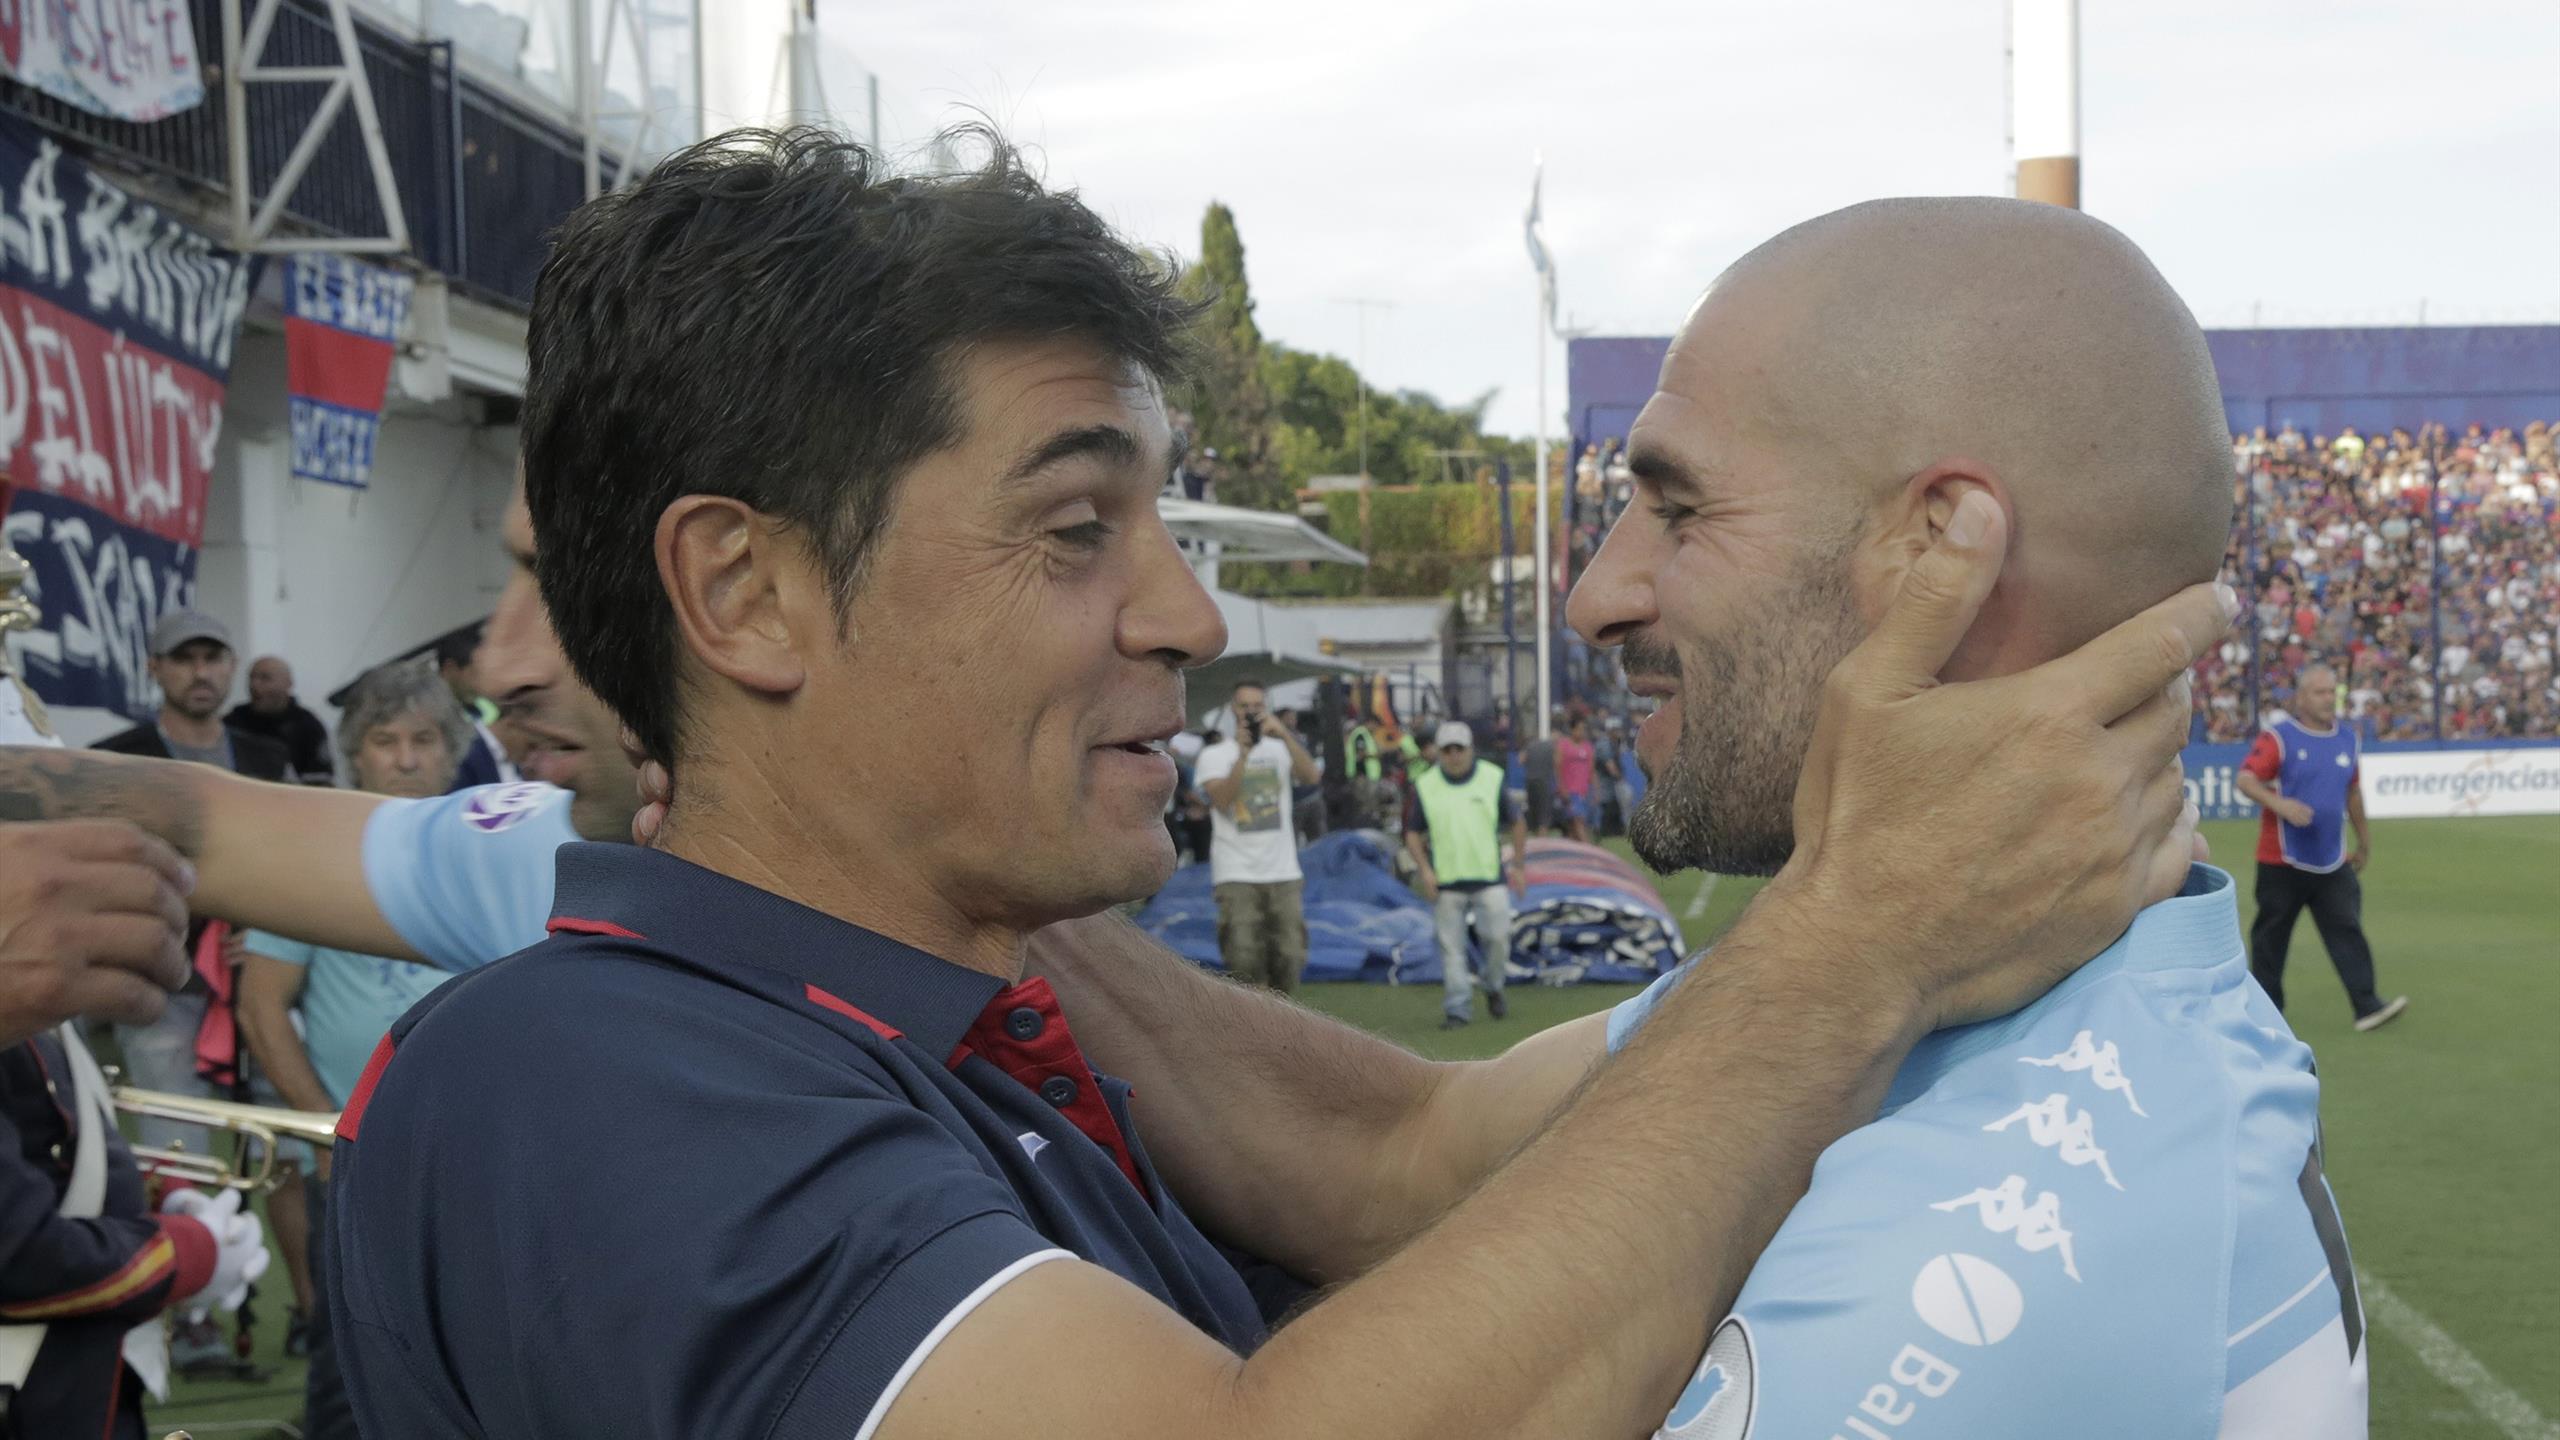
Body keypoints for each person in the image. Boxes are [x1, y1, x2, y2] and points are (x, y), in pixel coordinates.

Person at [318, 131, 2226, 1440]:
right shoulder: (581, 1080)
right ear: (749, 592)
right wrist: (1855, 949)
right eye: (1077, 527)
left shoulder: (960, 1024)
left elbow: (1420, 1163)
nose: (1188, 612)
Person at [1026, 198, 2354, 1438]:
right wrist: (917, 854)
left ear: (1940, 547)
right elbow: (1405, 1157)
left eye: (1676, 507)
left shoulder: (1981, 1251)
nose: (1598, 594)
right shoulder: (1933, 971)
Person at [233, 659, 470, 1435]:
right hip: (362, 1157)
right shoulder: (317, 854)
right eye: (384, 740)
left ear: (453, 749)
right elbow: (263, 1008)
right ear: (354, 752)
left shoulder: (492, 853)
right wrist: (326, 1128)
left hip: (473, 1155)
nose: (405, 759)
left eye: (424, 739)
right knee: (350, 1372)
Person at [89, 610, 289, 1248]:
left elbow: (297, 865)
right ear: (155, 668)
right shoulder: (115, 761)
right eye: (184, 658)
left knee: (285, 1139)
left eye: (213, 656)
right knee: (175, 1143)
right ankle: (188, 1297)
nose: (201, 672)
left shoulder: (266, 756)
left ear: (231, 666)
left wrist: (268, 926)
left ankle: (306, 1298)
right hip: (158, 977)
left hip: (259, 982)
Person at [2236, 661, 2409, 1031]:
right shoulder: (2279, 738)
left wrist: (2364, 841)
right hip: (2281, 861)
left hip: (2332, 859)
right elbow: (2246, 779)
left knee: (2347, 929)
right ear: (2300, 698)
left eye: (2332, 692)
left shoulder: (2348, 738)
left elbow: (2352, 792)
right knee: (2271, 940)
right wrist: (2281, 804)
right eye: (2320, 692)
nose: (2329, 699)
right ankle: (2267, 1016)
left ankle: (2367, 1005)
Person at [1194, 681, 1319, 993]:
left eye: (1257, 706)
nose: (1250, 712)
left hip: (1283, 870)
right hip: (1236, 871)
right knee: (1243, 956)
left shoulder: (1279, 749)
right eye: (1243, 706)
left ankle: (1280, 1017)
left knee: (1291, 954)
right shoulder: (1214, 754)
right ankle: (1257, 1023)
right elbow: (1222, 800)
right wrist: (1243, 755)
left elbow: (1311, 777)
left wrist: (1285, 735)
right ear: (1232, 710)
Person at [1406, 721, 1527, 1030]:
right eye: (1448, 749)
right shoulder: (1426, 786)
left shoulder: (1491, 778)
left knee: (1499, 938)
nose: (1454, 755)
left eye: (1459, 748)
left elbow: (1516, 822)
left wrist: (1519, 865)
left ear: (1470, 750)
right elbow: (1412, 833)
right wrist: (1425, 871)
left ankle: (1493, 985)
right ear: (1438, 752)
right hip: (1447, 883)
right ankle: (1458, 1009)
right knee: (1452, 950)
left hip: (1489, 877)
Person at [224, 656, 334, 785]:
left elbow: (320, 782)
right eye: (251, 678)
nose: (254, 685)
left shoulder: (308, 727)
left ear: (288, 683)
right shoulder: (235, 720)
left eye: (265, 678)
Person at [434, 624, 518, 791]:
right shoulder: (430, 720)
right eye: (476, 673)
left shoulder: (485, 708)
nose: (482, 683)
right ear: (450, 669)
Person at [1554, 713, 1597, 842]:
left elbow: (1592, 770)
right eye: (1579, 729)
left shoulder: (1588, 747)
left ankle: (1574, 855)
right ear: (1572, 729)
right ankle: (1589, 853)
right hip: (1570, 791)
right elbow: (1557, 768)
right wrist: (1561, 788)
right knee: (1578, 822)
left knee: (1574, 827)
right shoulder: (1563, 745)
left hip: (1584, 791)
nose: (1582, 732)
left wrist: (1595, 789)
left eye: (1584, 729)